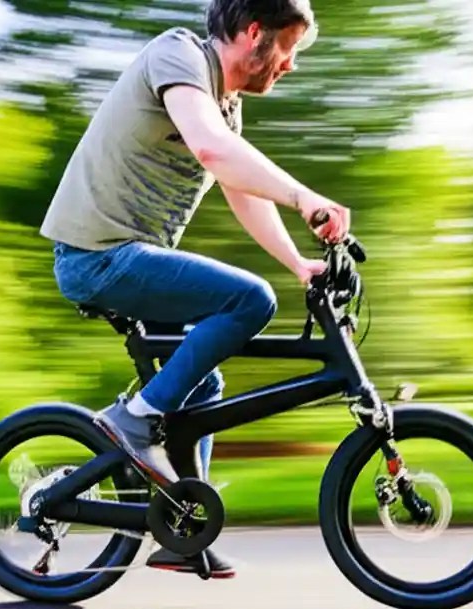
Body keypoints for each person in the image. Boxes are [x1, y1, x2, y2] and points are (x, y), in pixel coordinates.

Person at [43, 0, 351, 578]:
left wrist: (298, 263)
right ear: (254, 33)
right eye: (287, 47)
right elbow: (212, 150)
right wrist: (306, 197)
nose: (290, 64)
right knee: (249, 301)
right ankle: (132, 420)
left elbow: (241, 188)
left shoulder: (226, 108)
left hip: (131, 259)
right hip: (99, 256)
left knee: (202, 382)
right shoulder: (177, 54)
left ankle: (184, 532)